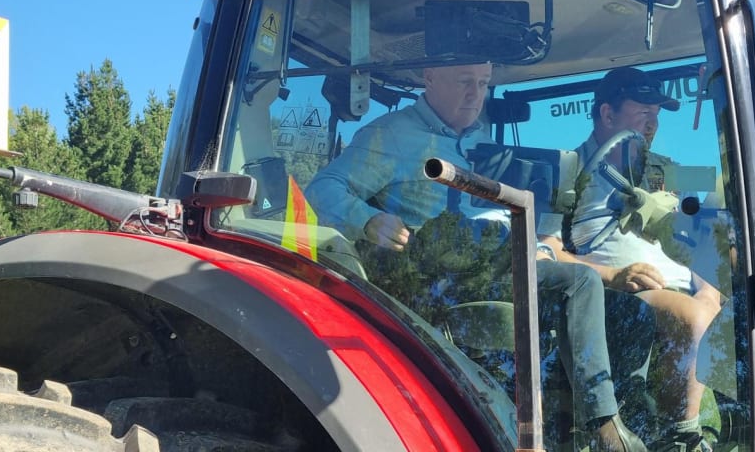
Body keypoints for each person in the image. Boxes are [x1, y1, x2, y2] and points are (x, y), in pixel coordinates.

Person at [307, 62, 648, 452]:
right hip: (442, 278)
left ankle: (623, 418)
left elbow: (506, 214)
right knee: (581, 281)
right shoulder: (392, 135)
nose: (476, 94)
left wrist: (537, 250)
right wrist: (368, 221)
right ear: (429, 77)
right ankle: (604, 426)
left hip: (499, 263)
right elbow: (322, 188)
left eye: (484, 83)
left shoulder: (482, 142)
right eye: (465, 82)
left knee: (631, 310)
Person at [538, 66, 723, 452]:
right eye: (643, 113)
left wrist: (710, 287)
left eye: (656, 114)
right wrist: (611, 275)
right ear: (608, 115)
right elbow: (548, 249)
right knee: (693, 318)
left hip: (687, 284)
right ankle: (683, 437)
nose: (653, 124)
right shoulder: (566, 171)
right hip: (617, 294)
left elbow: (723, 197)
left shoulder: (666, 169)